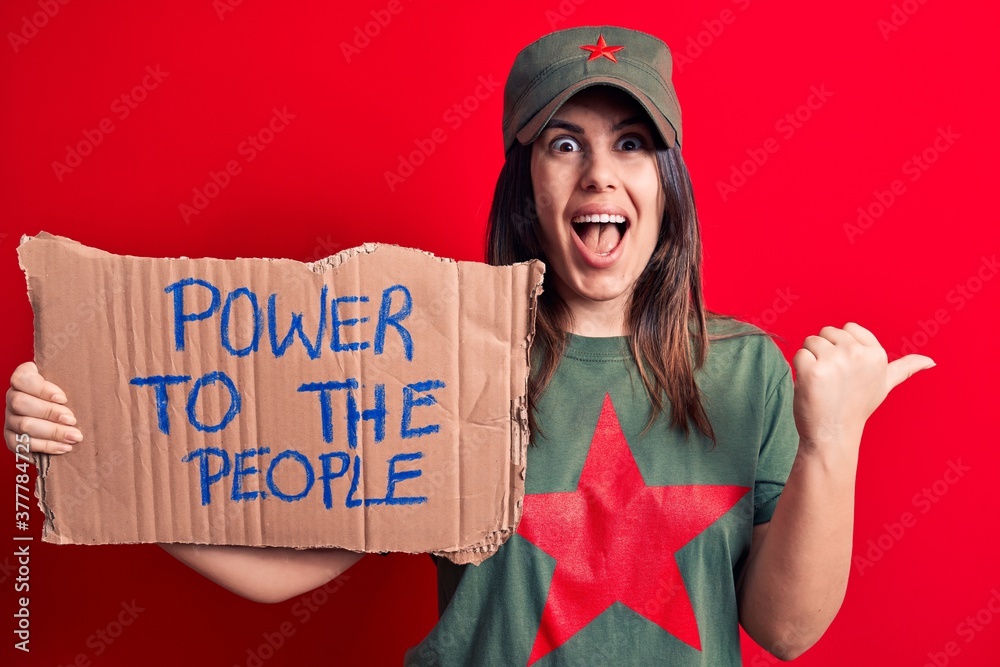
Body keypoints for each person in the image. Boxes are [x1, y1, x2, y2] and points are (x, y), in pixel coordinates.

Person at [5, 25, 933, 665]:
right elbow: (287, 568)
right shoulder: (441, 354)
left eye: (631, 143)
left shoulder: (748, 369)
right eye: (564, 144)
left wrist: (832, 444)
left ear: (668, 179)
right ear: (526, 183)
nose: (599, 173)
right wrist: (99, 458)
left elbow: (785, 628)